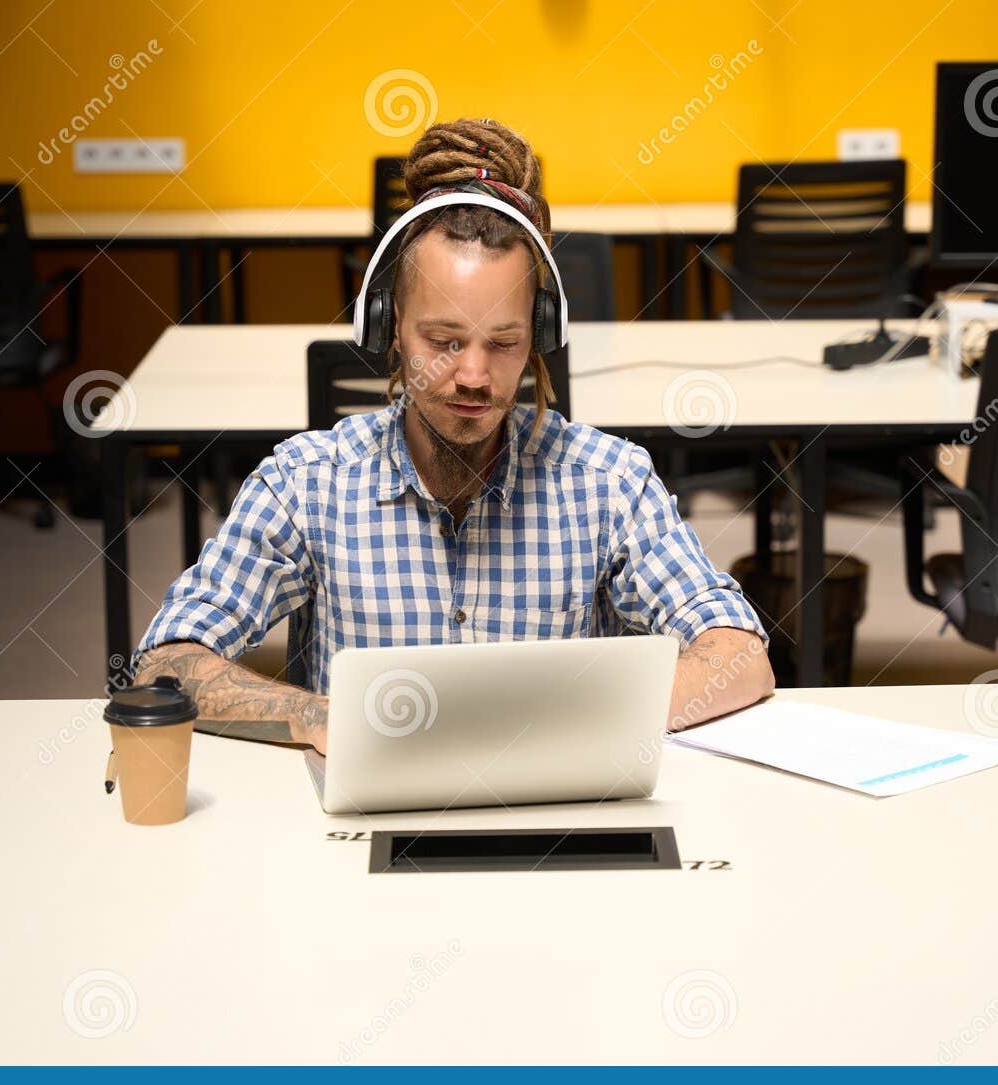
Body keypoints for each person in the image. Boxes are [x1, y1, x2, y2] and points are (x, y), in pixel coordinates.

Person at [135, 117, 773, 754]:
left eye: (503, 343)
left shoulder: (609, 481)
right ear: (388, 328)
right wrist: (316, 718)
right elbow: (166, 666)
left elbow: (740, 657)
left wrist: (589, 716)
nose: (473, 375)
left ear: (539, 338)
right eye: (442, 342)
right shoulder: (306, 483)